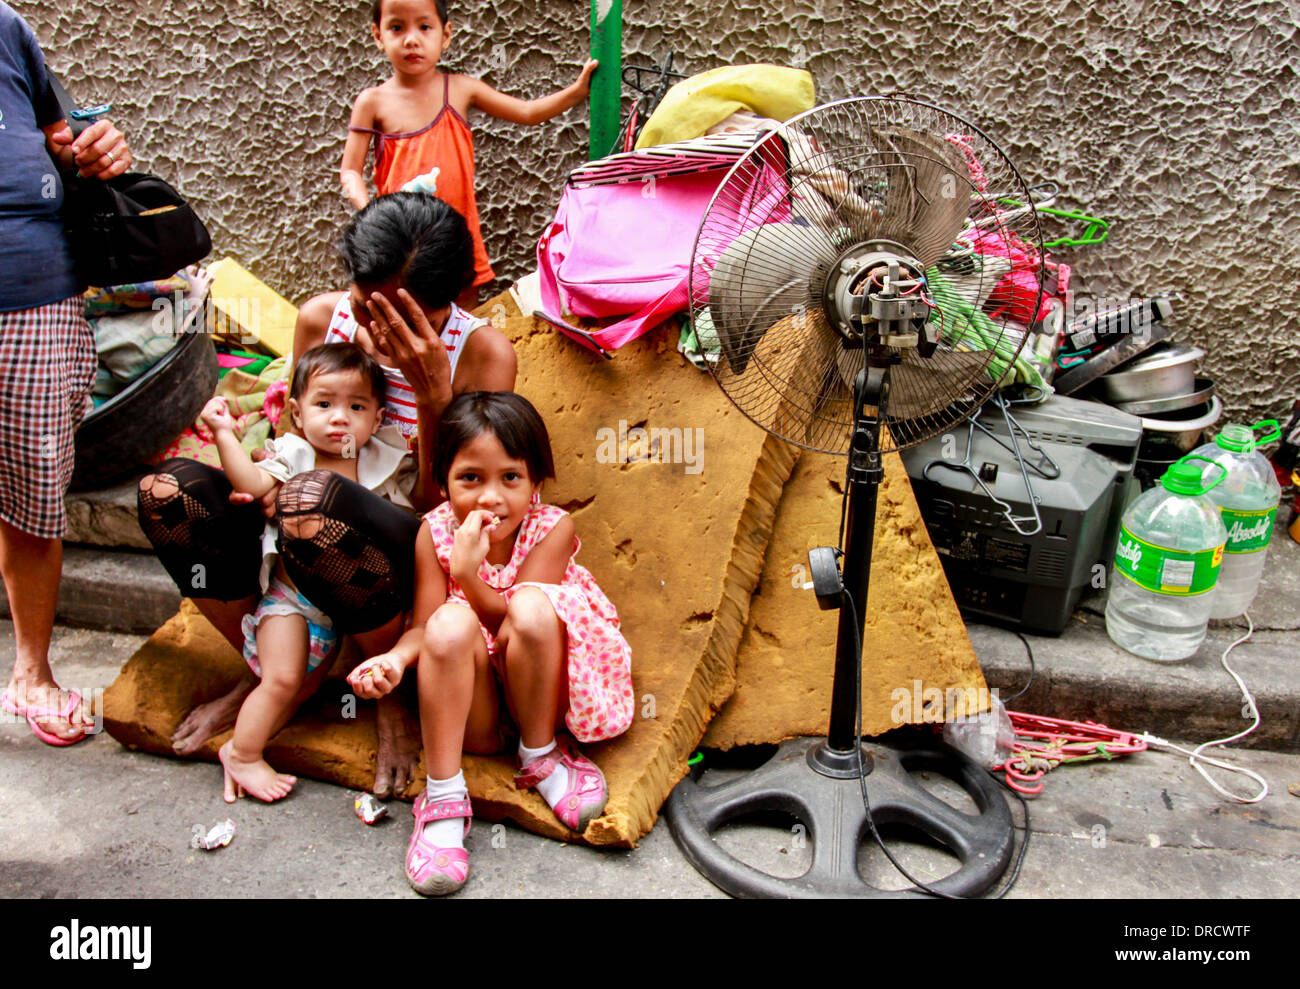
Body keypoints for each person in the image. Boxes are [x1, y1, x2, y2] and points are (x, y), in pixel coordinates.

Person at [137, 194, 515, 798]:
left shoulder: (482, 354)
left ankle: (386, 691)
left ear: (454, 302)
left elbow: (447, 509)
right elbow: (296, 439)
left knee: (312, 502)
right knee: (167, 492)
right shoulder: (322, 319)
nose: (376, 329)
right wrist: (264, 481)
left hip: (404, 550)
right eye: (369, 307)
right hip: (299, 528)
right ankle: (280, 673)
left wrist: (433, 394)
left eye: (403, 315)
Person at [347, 392, 634, 896]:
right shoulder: (433, 532)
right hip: (473, 713)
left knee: (531, 605)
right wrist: (394, 658)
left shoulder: (552, 528)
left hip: (536, 699)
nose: (490, 498)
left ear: (535, 483)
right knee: (448, 622)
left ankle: (541, 756)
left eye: (510, 478)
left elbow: (513, 621)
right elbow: (425, 626)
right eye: (470, 478)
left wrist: (466, 572)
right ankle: (442, 796)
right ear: (442, 483)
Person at [199, 342, 414, 802]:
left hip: (351, 614)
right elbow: (251, 484)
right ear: (297, 413)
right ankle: (242, 752)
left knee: (297, 687)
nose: (339, 418)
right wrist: (223, 433)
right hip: (291, 604)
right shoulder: (294, 455)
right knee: (280, 680)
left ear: (377, 420)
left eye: (356, 407)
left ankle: (254, 739)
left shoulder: (384, 461)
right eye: (324, 404)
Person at [0, 2, 133, 745]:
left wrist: (90, 144)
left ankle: (31, 673)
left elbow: (56, 136)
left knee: (31, 492)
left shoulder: (5, 26)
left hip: (35, 296)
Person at [340, 0, 598, 307]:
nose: (411, 39)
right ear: (377, 35)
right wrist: (372, 211)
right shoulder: (372, 102)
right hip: (400, 245)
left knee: (461, 322)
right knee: (404, 316)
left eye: (424, 27)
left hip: (455, 241)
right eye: (396, 27)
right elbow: (350, 171)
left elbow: (527, 112)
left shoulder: (461, 90)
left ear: (446, 34)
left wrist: (578, 91)